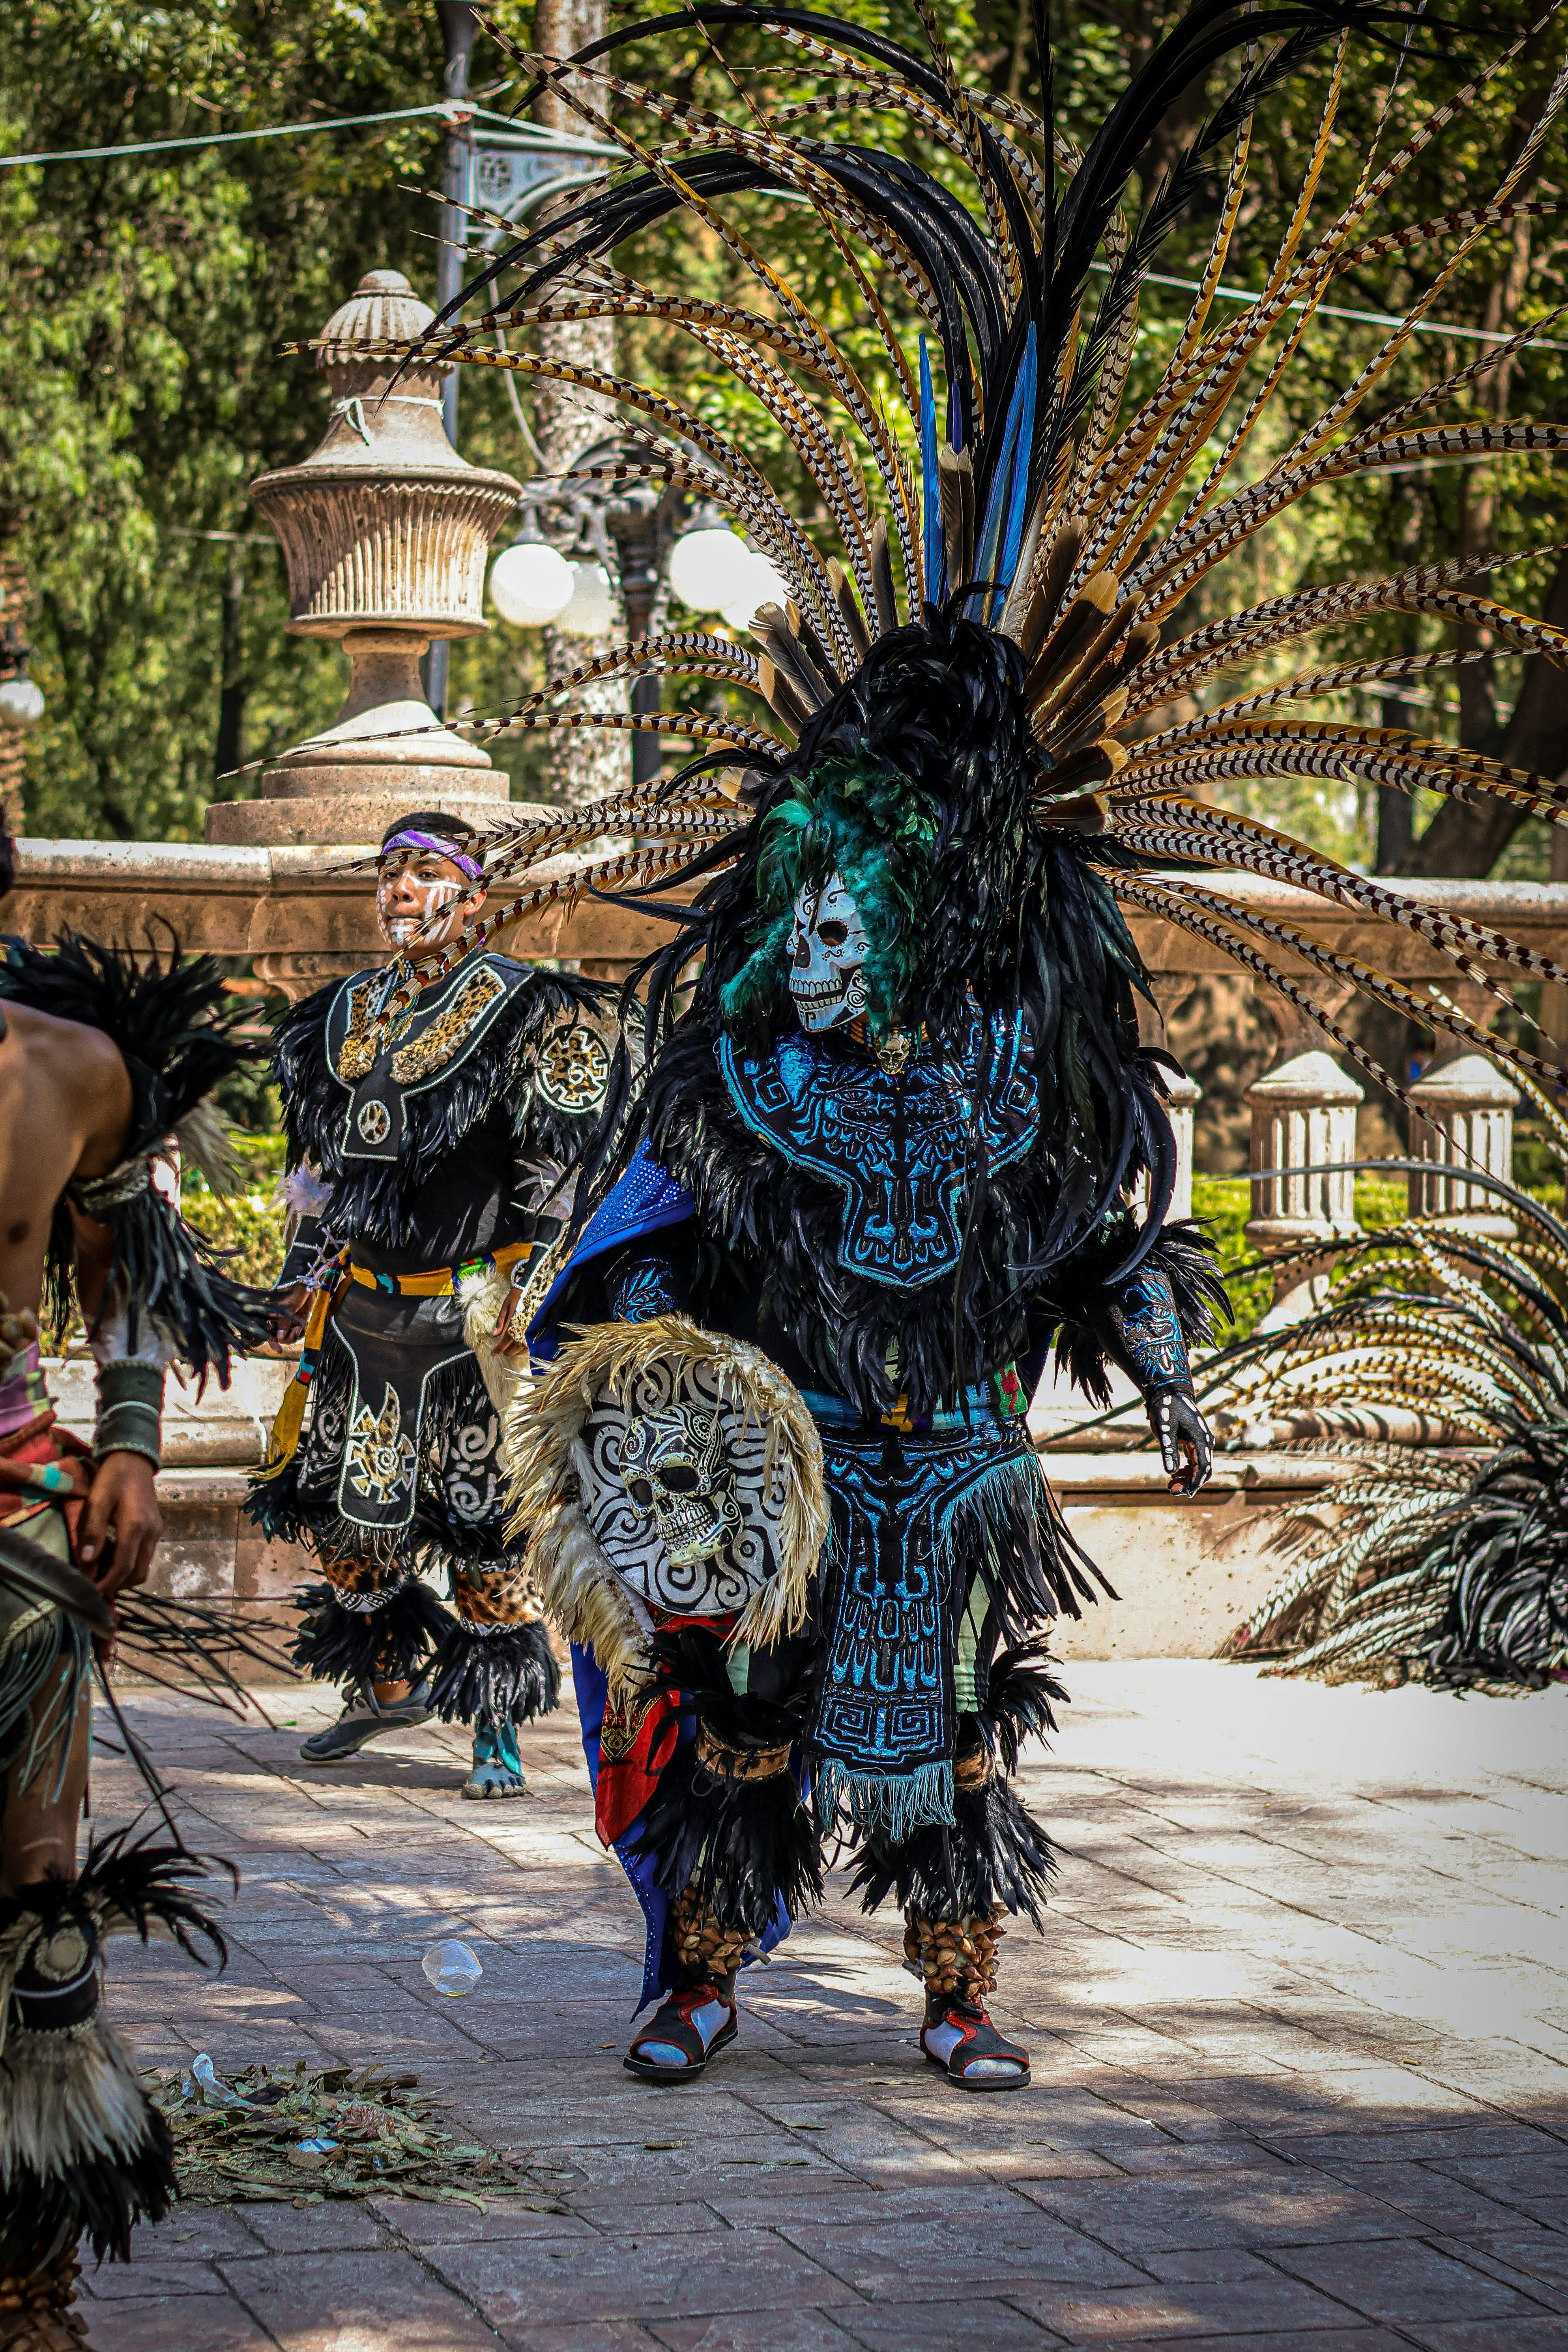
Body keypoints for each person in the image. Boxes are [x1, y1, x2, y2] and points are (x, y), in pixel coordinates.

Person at [386, 0, 1568, 2089]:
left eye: (858, 908)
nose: (817, 931)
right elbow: (663, 1250)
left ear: (927, 916)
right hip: (804, 1464)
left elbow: (1097, 1249)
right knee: (742, 1719)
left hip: (959, 1457)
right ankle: (701, 1972)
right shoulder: (744, 1072)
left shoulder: (1022, 1078)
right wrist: (631, 1363)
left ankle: (955, 1986)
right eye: (804, 902)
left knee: (939, 1731)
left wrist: (1178, 1380)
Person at [0, 883, 271, 2348]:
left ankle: (29, 2276)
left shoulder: (70, 1071)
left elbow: (125, 1287)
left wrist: (131, 1445)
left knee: (39, 1898)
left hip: (13, 1534)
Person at [249, 812, 615, 1798]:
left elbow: (557, 1182)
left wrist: (524, 1303)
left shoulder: (528, 1011)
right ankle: (389, 1683)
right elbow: (321, 1176)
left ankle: (493, 1723)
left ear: (475, 897)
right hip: (361, 1317)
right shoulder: (341, 1013)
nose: (401, 889)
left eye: (425, 871)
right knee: (345, 1523)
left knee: (483, 1534)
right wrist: (297, 1277)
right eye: (389, 871)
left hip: (470, 1322)